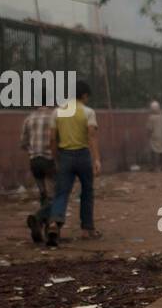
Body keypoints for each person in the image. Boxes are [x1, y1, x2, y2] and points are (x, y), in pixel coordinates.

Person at [46, 80, 101, 248]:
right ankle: (87, 229)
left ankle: (55, 223)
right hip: (83, 155)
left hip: (65, 156)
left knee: (61, 192)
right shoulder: (88, 112)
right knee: (87, 192)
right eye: (87, 97)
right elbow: (91, 136)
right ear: (84, 95)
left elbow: (52, 139)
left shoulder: (57, 112)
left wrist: (56, 159)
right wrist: (96, 159)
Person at [19, 97, 57, 243]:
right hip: (50, 160)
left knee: (43, 194)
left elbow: (23, 143)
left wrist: (33, 151)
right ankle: (42, 220)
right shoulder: (55, 117)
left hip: (35, 161)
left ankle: (41, 227)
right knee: (54, 196)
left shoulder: (29, 118)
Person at [146, 100, 162, 171]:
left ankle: (155, 167)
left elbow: (149, 128)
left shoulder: (151, 118)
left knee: (155, 151)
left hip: (154, 136)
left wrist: (148, 134)